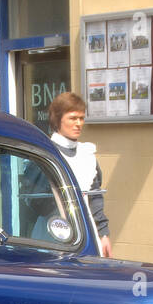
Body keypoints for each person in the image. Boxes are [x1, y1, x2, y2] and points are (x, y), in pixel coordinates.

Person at [47, 91, 112, 257]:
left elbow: (95, 197)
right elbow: (34, 202)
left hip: (85, 232)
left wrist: (103, 234)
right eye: (72, 118)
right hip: (50, 233)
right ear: (58, 119)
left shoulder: (87, 154)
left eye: (81, 118)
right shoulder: (46, 152)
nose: (78, 124)